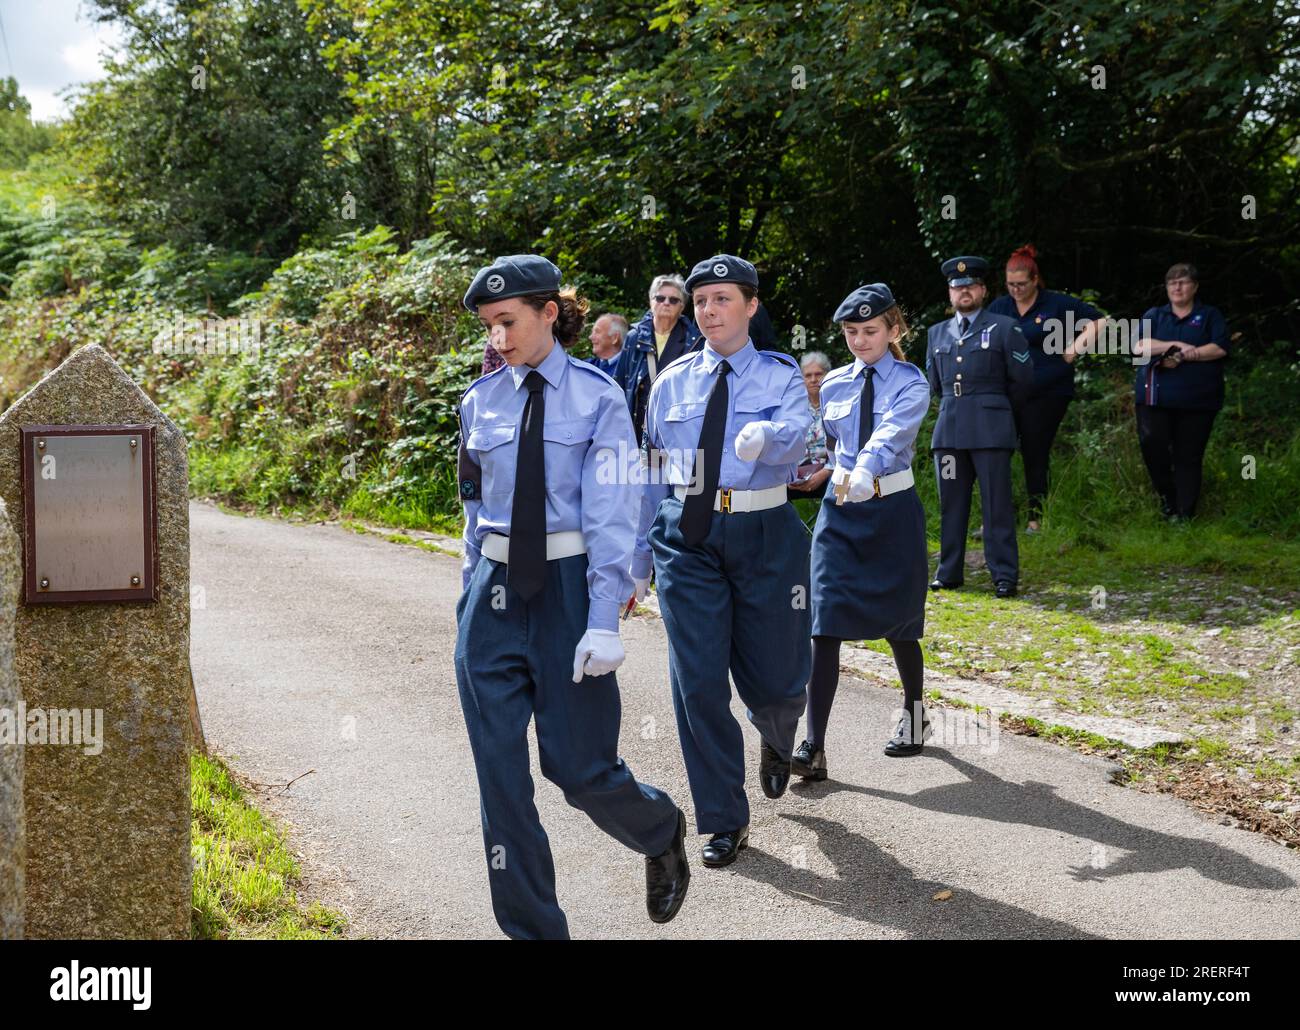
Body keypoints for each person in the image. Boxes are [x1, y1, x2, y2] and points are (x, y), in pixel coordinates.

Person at [454, 253, 689, 939]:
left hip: (566, 589)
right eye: (487, 327)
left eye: (507, 322)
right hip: (492, 597)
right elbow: (474, 512)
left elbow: (612, 513)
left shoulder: (597, 397)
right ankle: (535, 931)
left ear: (549, 313)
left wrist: (603, 616)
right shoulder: (479, 400)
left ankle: (658, 827)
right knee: (501, 783)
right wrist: (467, 599)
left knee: (578, 768)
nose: (497, 339)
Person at [631, 254, 811, 868]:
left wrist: (768, 438)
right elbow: (652, 471)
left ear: (751, 306)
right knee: (697, 680)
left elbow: (797, 431)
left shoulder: (780, 374)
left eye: (722, 300)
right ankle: (723, 818)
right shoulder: (672, 380)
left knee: (781, 674)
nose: (708, 311)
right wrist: (637, 555)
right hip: (687, 535)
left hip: (765, 529)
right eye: (700, 301)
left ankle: (778, 730)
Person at [792, 284, 932, 776]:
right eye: (851, 332)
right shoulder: (833, 384)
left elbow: (892, 432)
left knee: (900, 623)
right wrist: (807, 468)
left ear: (894, 329)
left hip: (890, 509)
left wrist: (864, 468)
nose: (859, 340)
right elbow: (825, 445)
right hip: (840, 513)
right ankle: (814, 745)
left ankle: (915, 716)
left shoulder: (912, 382)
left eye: (870, 331)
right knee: (823, 622)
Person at [925, 255, 1033, 598]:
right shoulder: (936, 333)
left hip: (991, 428)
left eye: (970, 285)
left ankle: (1003, 574)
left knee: (996, 504)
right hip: (950, 430)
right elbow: (933, 384)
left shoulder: (1004, 327)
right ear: (950, 294)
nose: (963, 291)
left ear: (983, 290)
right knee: (951, 505)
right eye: (957, 287)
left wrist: (996, 410)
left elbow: (1022, 382)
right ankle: (950, 572)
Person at [988, 245, 1107, 532]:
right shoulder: (1000, 307)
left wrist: (1073, 351)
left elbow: (1099, 320)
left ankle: (1035, 518)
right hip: (1008, 392)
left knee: (1034, 449)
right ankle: (997, 518)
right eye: (1010, 284)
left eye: (1022, 284)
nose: (1016, 289)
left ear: (1035, 279)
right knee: (997, 451)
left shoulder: (1056, 304)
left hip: (1048, 390)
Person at [1132, 262, 1229, 519]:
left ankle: (1185, 514)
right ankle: (1168, 499)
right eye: (1172, 282)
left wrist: (1189, 354)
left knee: (1189, 455)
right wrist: (1175, 344)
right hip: (1155, 397)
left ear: (1195, 287)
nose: (1177, 287)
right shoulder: (1154, 315)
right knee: (1153, 447)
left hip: (1198, 399)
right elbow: (1140, 346)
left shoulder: (1210, 315)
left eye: (1183, 282)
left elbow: (1219, 348)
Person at [612, 274, 703, 443]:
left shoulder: (696, 341)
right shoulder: (634, 337)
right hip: (636, 432)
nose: (666, 303)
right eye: (660, 298)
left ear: (682, 306)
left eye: (673, 300)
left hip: (677, 434)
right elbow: (618, 386)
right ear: (651, 302)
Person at [788, 351, 833, 501]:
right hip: (795, 476)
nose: (813, 380)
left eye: (818, 374)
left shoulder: (837, 406)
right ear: (801, 379)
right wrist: (787, 474)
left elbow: (847, 448)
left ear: (828, 375)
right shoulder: (792, 408)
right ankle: (787, 525)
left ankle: (836, 524)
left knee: (844, 485)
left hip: (830, 474)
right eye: (808, 375)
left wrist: (824, 473)